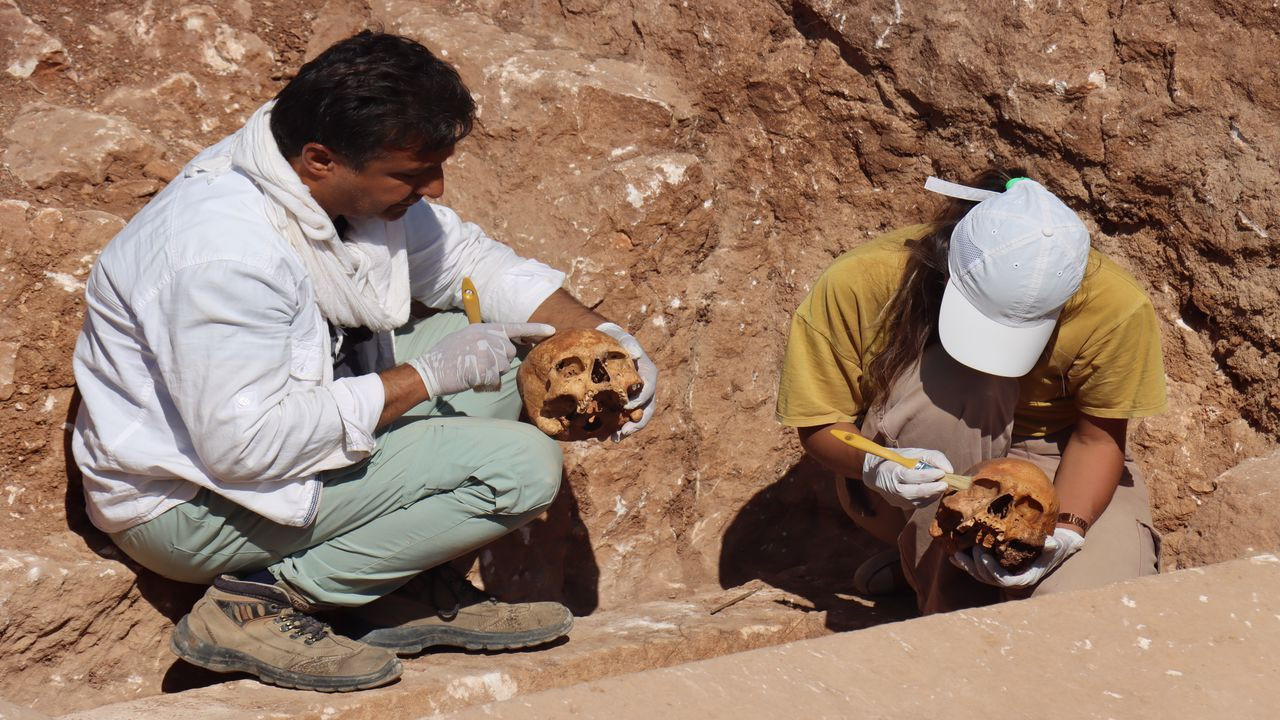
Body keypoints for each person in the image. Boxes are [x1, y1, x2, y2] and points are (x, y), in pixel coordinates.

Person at [71, 31, 658, 692]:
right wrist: (426, 377)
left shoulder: (322, 179)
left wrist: (605, 339)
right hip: (192, 503)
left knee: (505, 372)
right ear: (322, 159)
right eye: (411, 174)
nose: (433, 187)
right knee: (522, 468)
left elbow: (471, 263)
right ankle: (259, 601)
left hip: (277, 436)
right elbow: (246, 447)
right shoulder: (223, 254)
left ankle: (385, 592)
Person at [775, 169, 1165, 614]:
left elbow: (1097, 439)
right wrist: (875, 466)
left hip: (1057, 462)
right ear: (948, 265)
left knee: (1090, 610)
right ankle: (939, 584)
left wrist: (1066, 533)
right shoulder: (860, 281)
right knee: (963, 387)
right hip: (920, 462)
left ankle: (943, 569)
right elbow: (820, 425)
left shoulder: (1115, 304)